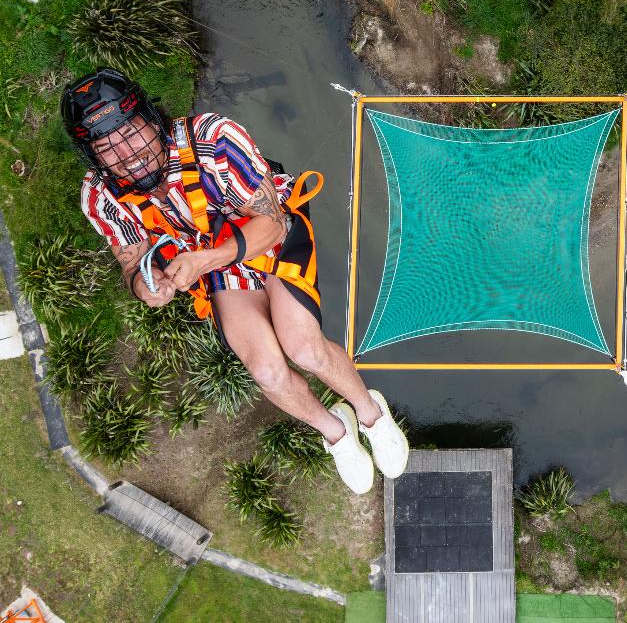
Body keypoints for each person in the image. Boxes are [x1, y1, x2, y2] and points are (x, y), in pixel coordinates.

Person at [60, 67, 407, 494]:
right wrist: (147, 285)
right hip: (212, 261)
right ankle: (337, 433)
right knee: (266, 371)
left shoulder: (213, 140)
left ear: (151, 118)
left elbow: (272, 225)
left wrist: (206, 259)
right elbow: (132, 264)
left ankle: (371, 413)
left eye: (130, 131)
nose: (127, 152)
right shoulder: (100, 195)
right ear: (92, 154)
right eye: (106, 145)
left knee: (303, 347)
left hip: (263, 234)